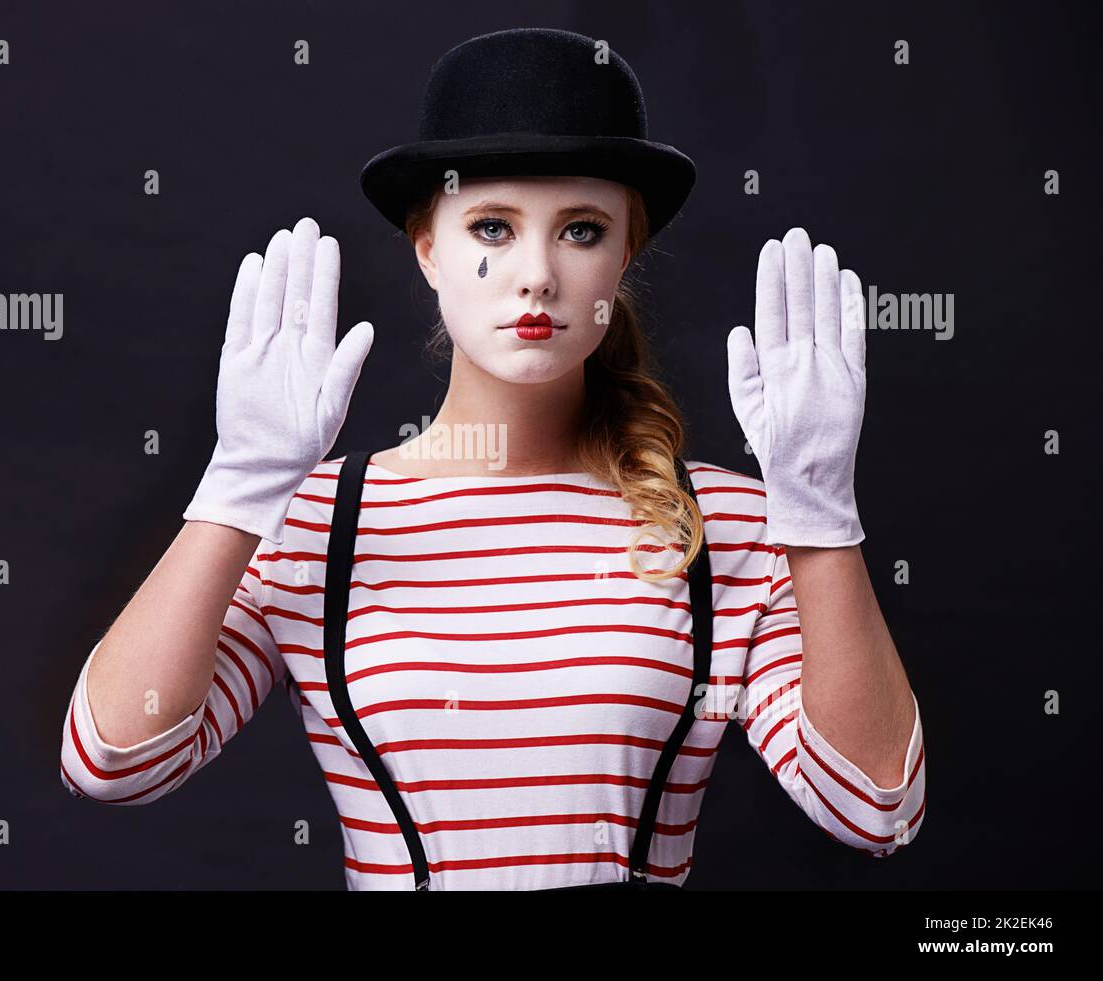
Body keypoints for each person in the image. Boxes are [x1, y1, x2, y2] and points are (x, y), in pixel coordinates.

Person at [58, 27, 925, 890]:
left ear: (626, 253)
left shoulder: (729, 526)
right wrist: (239, 485)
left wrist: (818, 512)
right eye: (492, 227)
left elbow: (877, 807)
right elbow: (111, 761)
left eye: (581, 229)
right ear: (427, 246)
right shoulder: (318, 522)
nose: (537, 275)